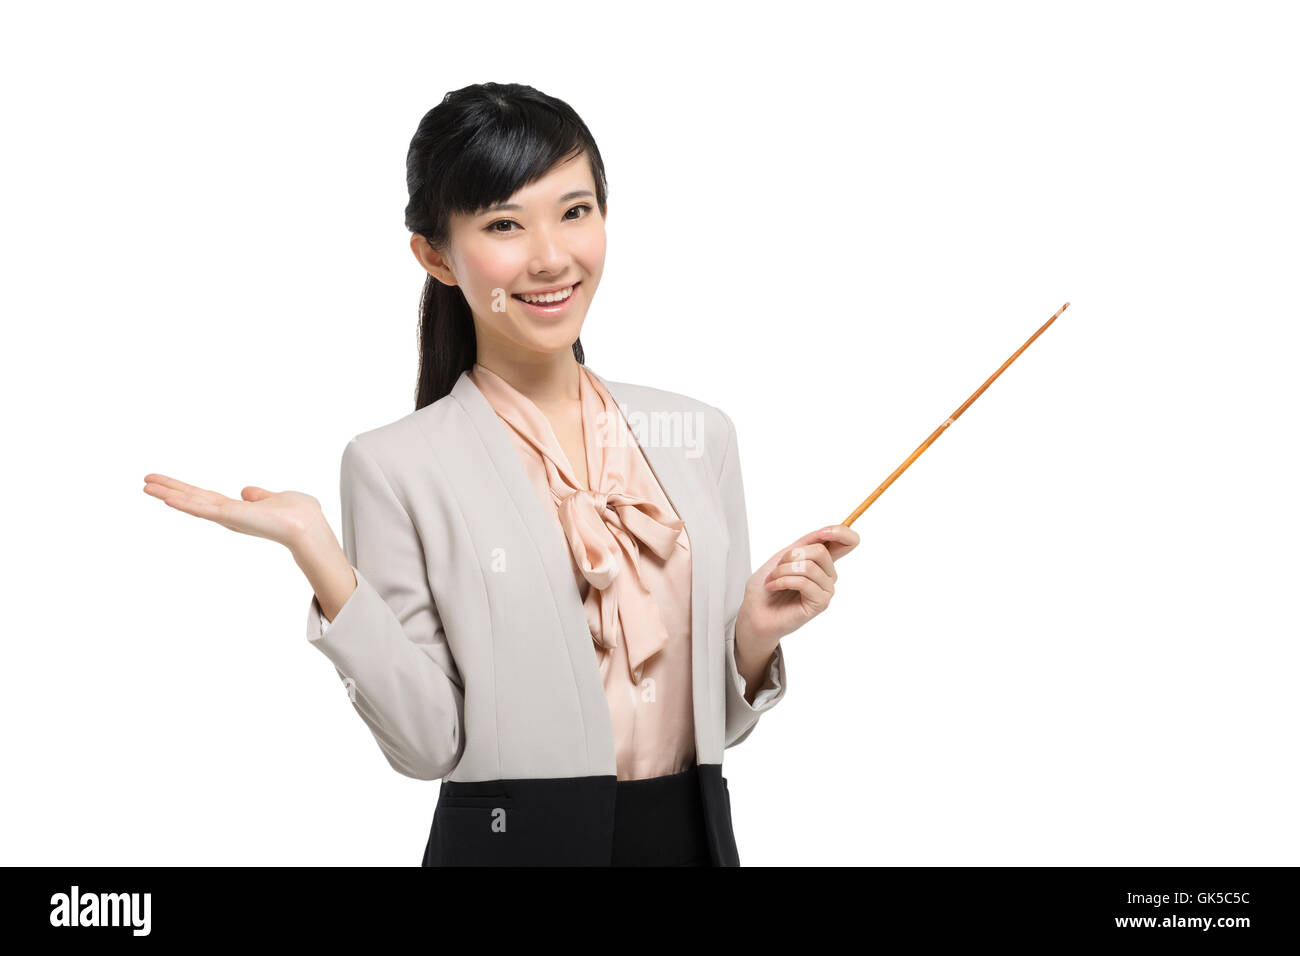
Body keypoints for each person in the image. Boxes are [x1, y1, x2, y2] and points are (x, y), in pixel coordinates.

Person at [143, 82, 859, 866]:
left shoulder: (699, 439)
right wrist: (320, 557)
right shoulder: (394, 467)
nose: (551, 256)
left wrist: (754, 636)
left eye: (575, 211)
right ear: (435, 256)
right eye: (504, 224)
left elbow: (716, 729)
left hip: (691, 842)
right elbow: (428, 745)